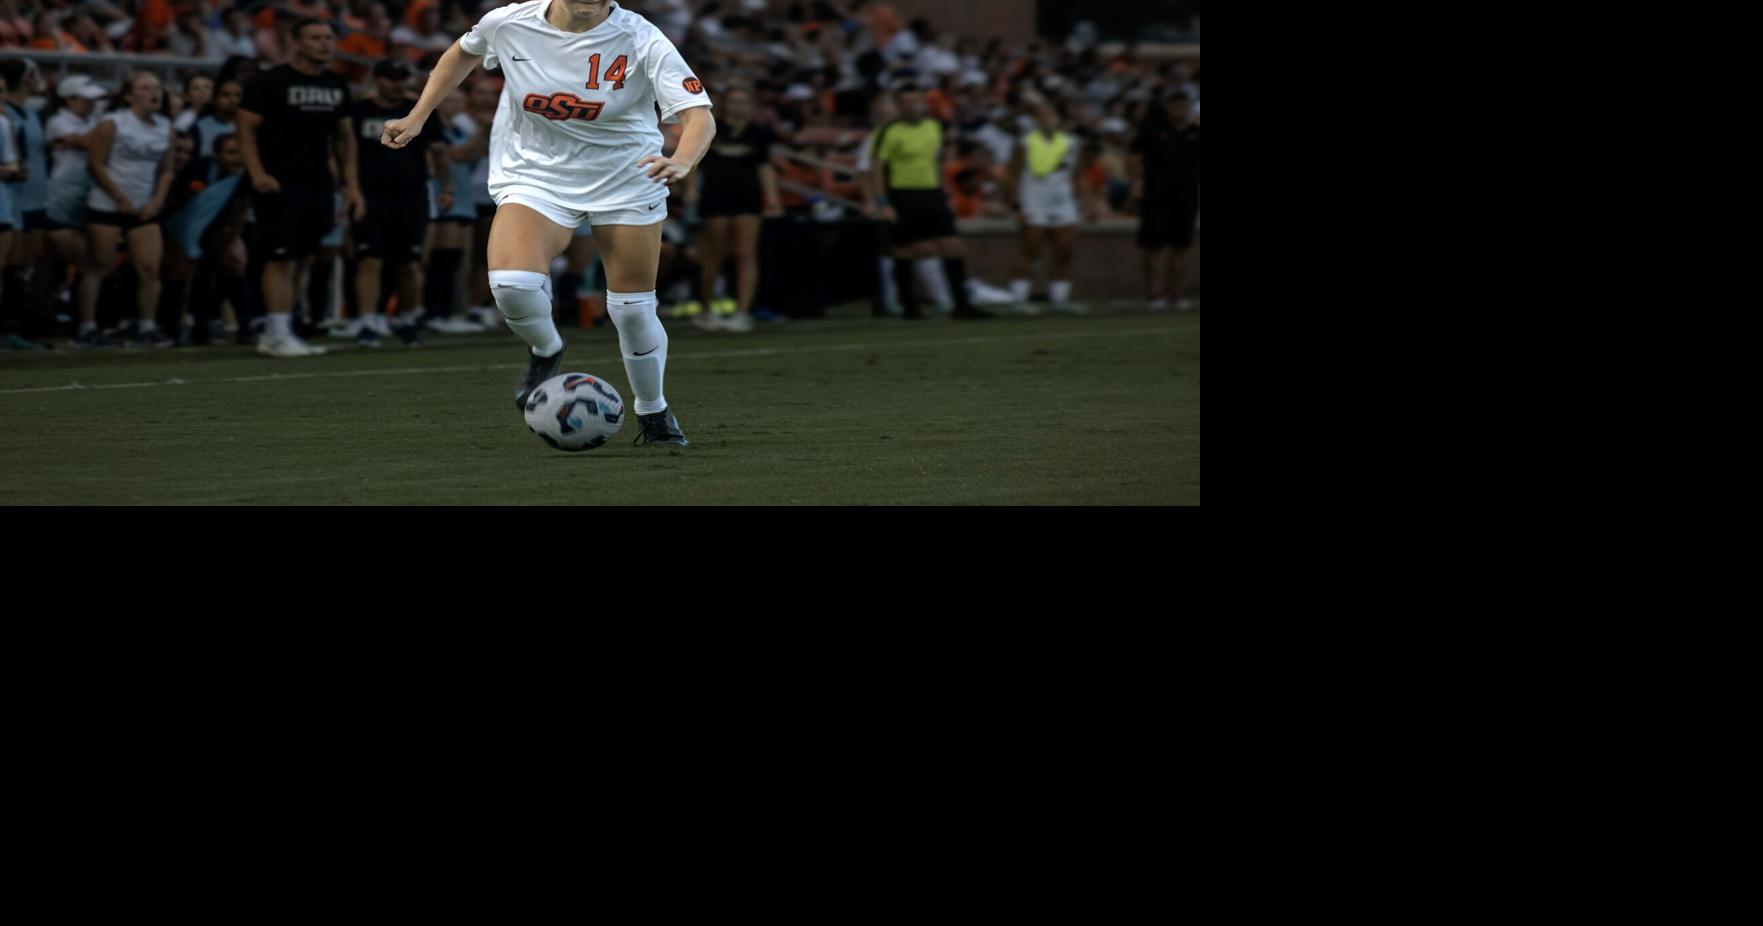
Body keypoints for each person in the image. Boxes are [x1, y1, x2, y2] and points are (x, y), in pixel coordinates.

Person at [381, 0, 716, 446]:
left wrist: (683, 160)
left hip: (626, 179)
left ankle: (653, 412)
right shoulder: (508, 22)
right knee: (513, 284)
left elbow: (699, 116)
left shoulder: (641, 37)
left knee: (633, 312)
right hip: (535, 175)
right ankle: (546, 347)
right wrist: (418, 114)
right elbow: (461, 52)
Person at [237, 16, 362, 357]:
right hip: (277, 183)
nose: (325, 44)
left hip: (318, 183)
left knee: (303, 257)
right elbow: (245, 128)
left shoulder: (336, 84)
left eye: (328, 38)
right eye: (316, 38)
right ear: (297, 42)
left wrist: (350, 186)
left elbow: (344, 138)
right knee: (280, 257)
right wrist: (257, 173)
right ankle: (275, 332)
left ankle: (282, 329)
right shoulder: (270, 82)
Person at [868, 84, 990, 320]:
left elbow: (938, 161)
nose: (913, 106)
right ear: (899, 105)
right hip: (902, 193)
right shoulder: (889, 131)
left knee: (953, 245)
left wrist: (945, 190)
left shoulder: (934, 127)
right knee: (906, 250)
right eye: (907, 101)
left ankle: (961, 304)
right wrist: (883, 202)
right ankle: (909, 307)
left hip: (931, 193)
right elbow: (877, 168)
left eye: (917, 101)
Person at [349, 59, 447, 346]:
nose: (398, 84)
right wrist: (350, 189)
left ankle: (408, 319)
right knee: (369, 260)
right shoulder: (360, 111)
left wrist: (446, 187)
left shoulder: (420, 109)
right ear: (377, 79)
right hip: (369, 195)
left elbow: (439, 151)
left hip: (411, 195)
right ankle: (367, 322)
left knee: (410, 263)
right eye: (392, 77)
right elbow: (346, 150)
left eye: (402, 78)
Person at [78, 72, 176, 348]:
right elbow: (95, 164)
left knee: (150, 267)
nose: (153, 93)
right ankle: (87, 328)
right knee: (100, 266)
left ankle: (146, 326)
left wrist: (157, 201)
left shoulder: (165, 126)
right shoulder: (113, 124)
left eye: (157, 87)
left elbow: (167, 169)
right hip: (107, 203)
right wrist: (119, 198)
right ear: (129, 95)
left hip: (143, 206)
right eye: (145, 88)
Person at [680, 85, 779, 334]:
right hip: (715, 197)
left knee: (746, 253)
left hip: (748, 197)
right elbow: (694, 159)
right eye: (733, 101)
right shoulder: (711, 127)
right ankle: (706, 308)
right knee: (713, 254)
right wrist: (691, 189)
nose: (738, 106)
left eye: (742, 101)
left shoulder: (759, 133)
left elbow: (764, 167)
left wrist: (772, 197)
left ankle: (743, 313)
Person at [1004, 101, 1093, 313]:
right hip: (1033, 200)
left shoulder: (1072, 143)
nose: (1046, 119)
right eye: (1041, 115)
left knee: (1064, 249)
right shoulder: (1024, 143)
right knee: (1030, 249)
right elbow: (1012, 175)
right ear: (1035, 120)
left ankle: (1059, 299)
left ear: (1059, 118)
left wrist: (1089, 201)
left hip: (1062, 202)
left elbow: (1079, 175)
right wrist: (1016, 204)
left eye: (1050, 114)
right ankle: (1018, 300)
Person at [1128, 90, 1199, 311]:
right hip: (1156, 196)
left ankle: (1175, 294)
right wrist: (1136, 181)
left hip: (1186, 196)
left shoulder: (1195, 132)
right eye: (1176, 104)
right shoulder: (1152, 130)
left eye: (1184, 104)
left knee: (1180, 247)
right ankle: (1154, 294)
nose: (1181, 109)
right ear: (1168, 107)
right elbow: (1134, 156)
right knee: (1153, 247)